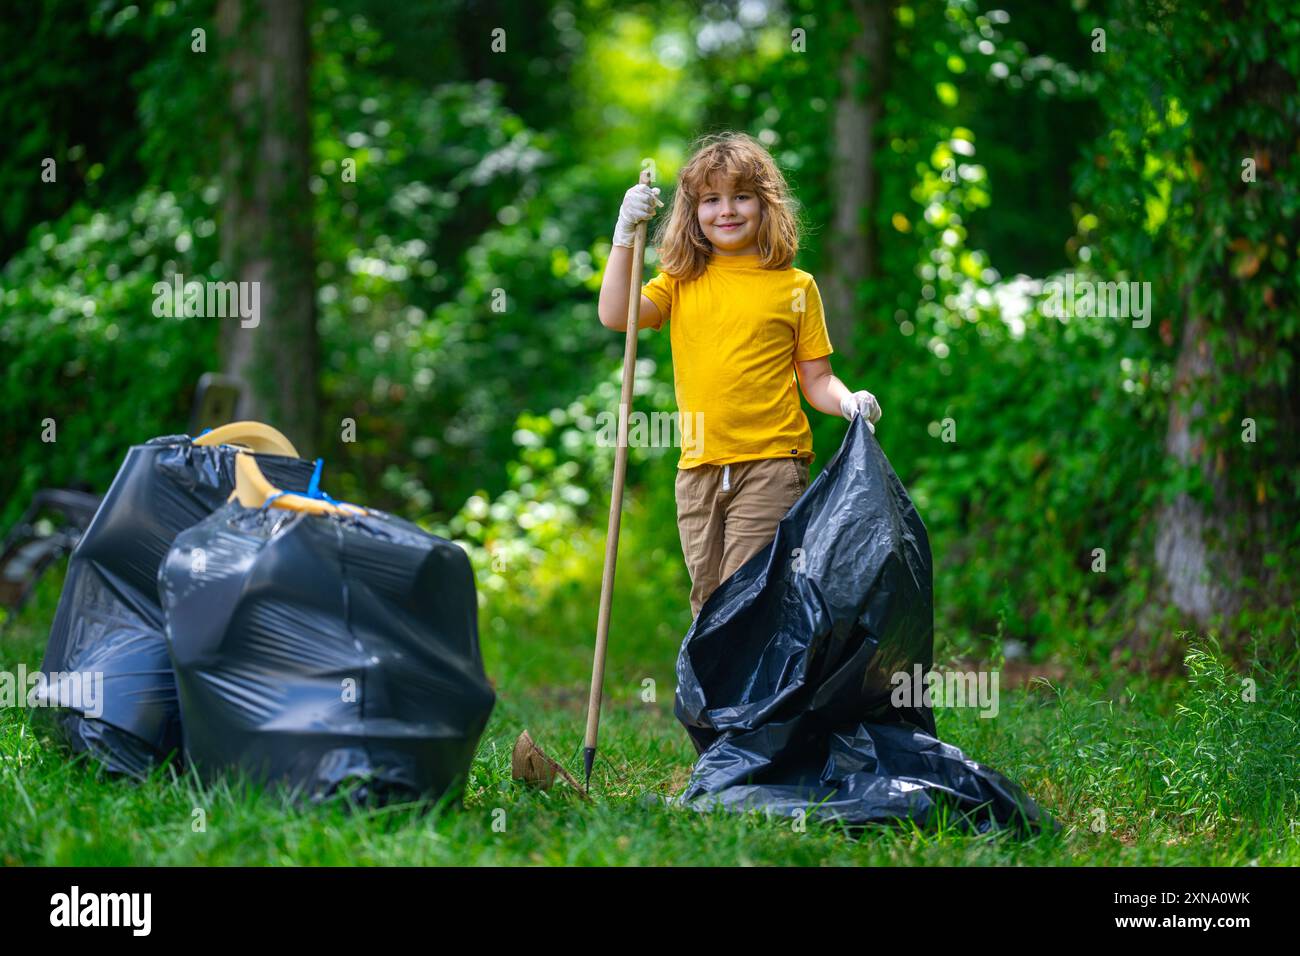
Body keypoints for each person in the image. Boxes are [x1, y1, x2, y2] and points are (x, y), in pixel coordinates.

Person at [597, 131, 882, 619]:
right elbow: (616, 314)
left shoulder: (794, 287)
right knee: (709, 604)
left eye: (741, 197)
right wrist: (624, 236)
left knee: (745, 598)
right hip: (699, 467)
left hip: (772, 462)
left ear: (765, 205)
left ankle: (752, 698)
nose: (726, 210)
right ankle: (716, 698)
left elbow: (816, 380)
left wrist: (848, 400)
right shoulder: (681, 282)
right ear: (694, 212)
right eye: (711, 200)